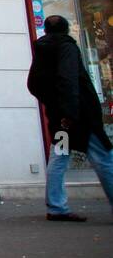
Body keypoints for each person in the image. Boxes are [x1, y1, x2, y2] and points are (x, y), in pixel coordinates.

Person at [27, 15, 113, 221]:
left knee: (59, 156)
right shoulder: (66, 47)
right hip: (79, 116)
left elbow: (33, 84)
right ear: (66, 29)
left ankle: (56, 207)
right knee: (103, 157)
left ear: (46, 30)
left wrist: (53, 105)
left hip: (60, 117)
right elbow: (68, 79)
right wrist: (70, 111)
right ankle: (57, 207)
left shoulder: (41, 50)